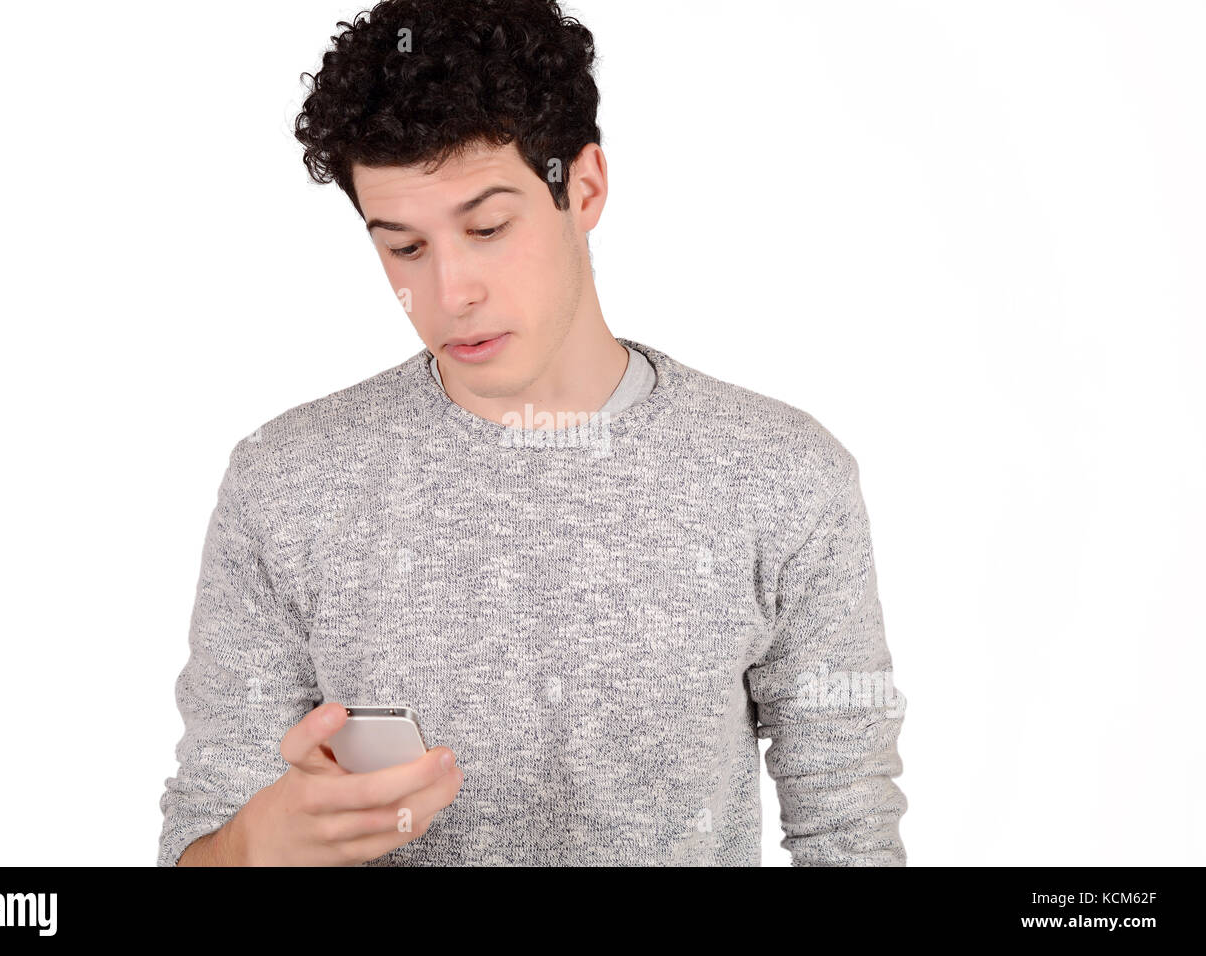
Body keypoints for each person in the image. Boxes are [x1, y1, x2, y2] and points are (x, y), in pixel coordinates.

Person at [158, 0, 908, 866]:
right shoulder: (283, 483)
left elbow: (848, 833)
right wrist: (257, 845)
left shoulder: (782, 476)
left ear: (583, 187)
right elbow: (199, 840)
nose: (449, 292)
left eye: (486, 229)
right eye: (404, 248)